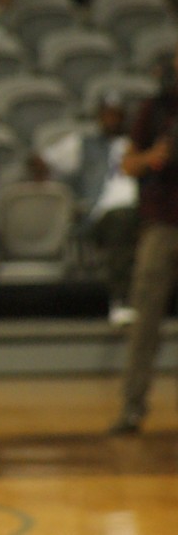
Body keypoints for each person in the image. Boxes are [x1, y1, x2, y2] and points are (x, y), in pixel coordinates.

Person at [109, 46, 178, 435]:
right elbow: (128, 164)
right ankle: (132, 407)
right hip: (163, 223)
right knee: (145, 322)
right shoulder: (154, 110)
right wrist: (155, 156)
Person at [29, 93, 139, 326]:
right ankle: (121, 300)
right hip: (101, 215)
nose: (112, 120)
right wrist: (51, 183)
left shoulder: (136, 145)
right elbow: (40, 160)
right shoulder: (83, 144)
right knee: (122, 220)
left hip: (142, 212)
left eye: (116, 115)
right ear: (99, 117)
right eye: (107, 115)